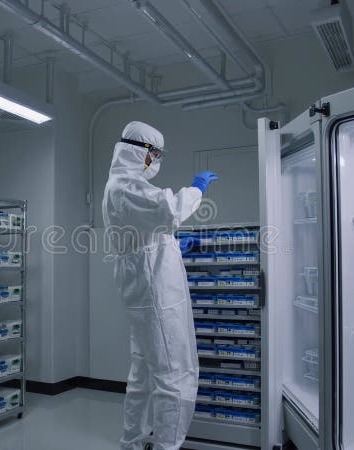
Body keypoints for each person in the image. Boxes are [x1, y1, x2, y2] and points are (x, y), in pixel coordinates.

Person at [102, 121, 218, 450]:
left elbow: (145, 233)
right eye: (155, 154)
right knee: (174, 374)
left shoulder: (122, 185)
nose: (156, 161)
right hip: (155, 292)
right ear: (137, 151)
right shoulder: (126, 186)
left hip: (143, 286)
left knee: (142, 372)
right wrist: (196, 189)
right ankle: (167, 445)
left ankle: (132, 442)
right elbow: (169, 209)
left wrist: (174, 244)